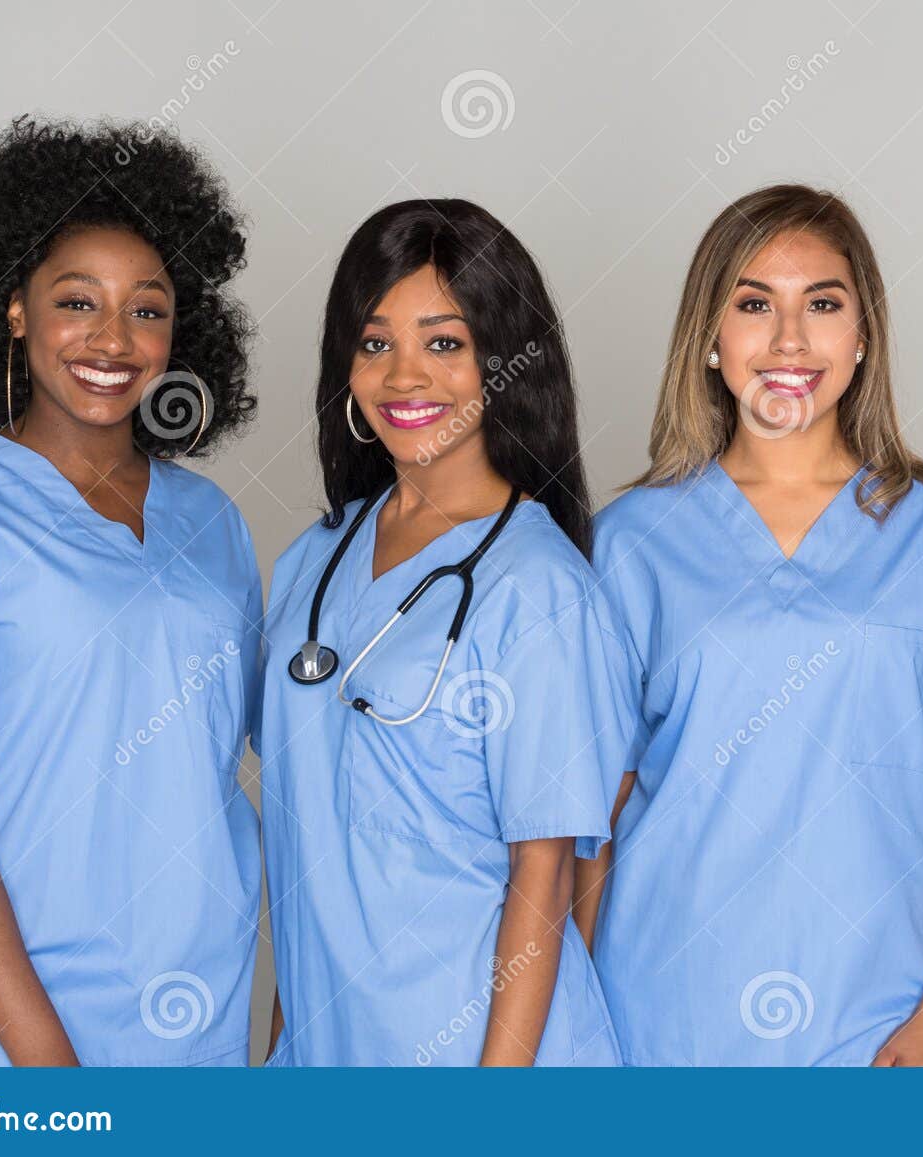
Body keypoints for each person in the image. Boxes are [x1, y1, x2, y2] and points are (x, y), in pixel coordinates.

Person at [0, 117, 262, 1066]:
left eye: (146, 309)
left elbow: (253, 759)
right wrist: (46, 1068)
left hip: (202, 1012)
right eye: (77, 301)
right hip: (18, 1035)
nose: (114, 338)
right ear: (15, 309)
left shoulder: (211, 524)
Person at [574, 185, 923, 1065]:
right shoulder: (631, 542)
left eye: (822, 304)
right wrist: (572, 1028)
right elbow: (595, 810)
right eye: (752, 304)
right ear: (708, 335)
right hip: (659, 1008)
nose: (788, 341)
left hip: (874, 1011)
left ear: (864, 335)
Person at [257, 199, 628, 1066]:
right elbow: (307, 840)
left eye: (445, 343)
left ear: (503, 362)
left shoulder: (537, 588)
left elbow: (545, 883)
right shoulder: (312, 562)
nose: (404, 376)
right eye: (375, 342)